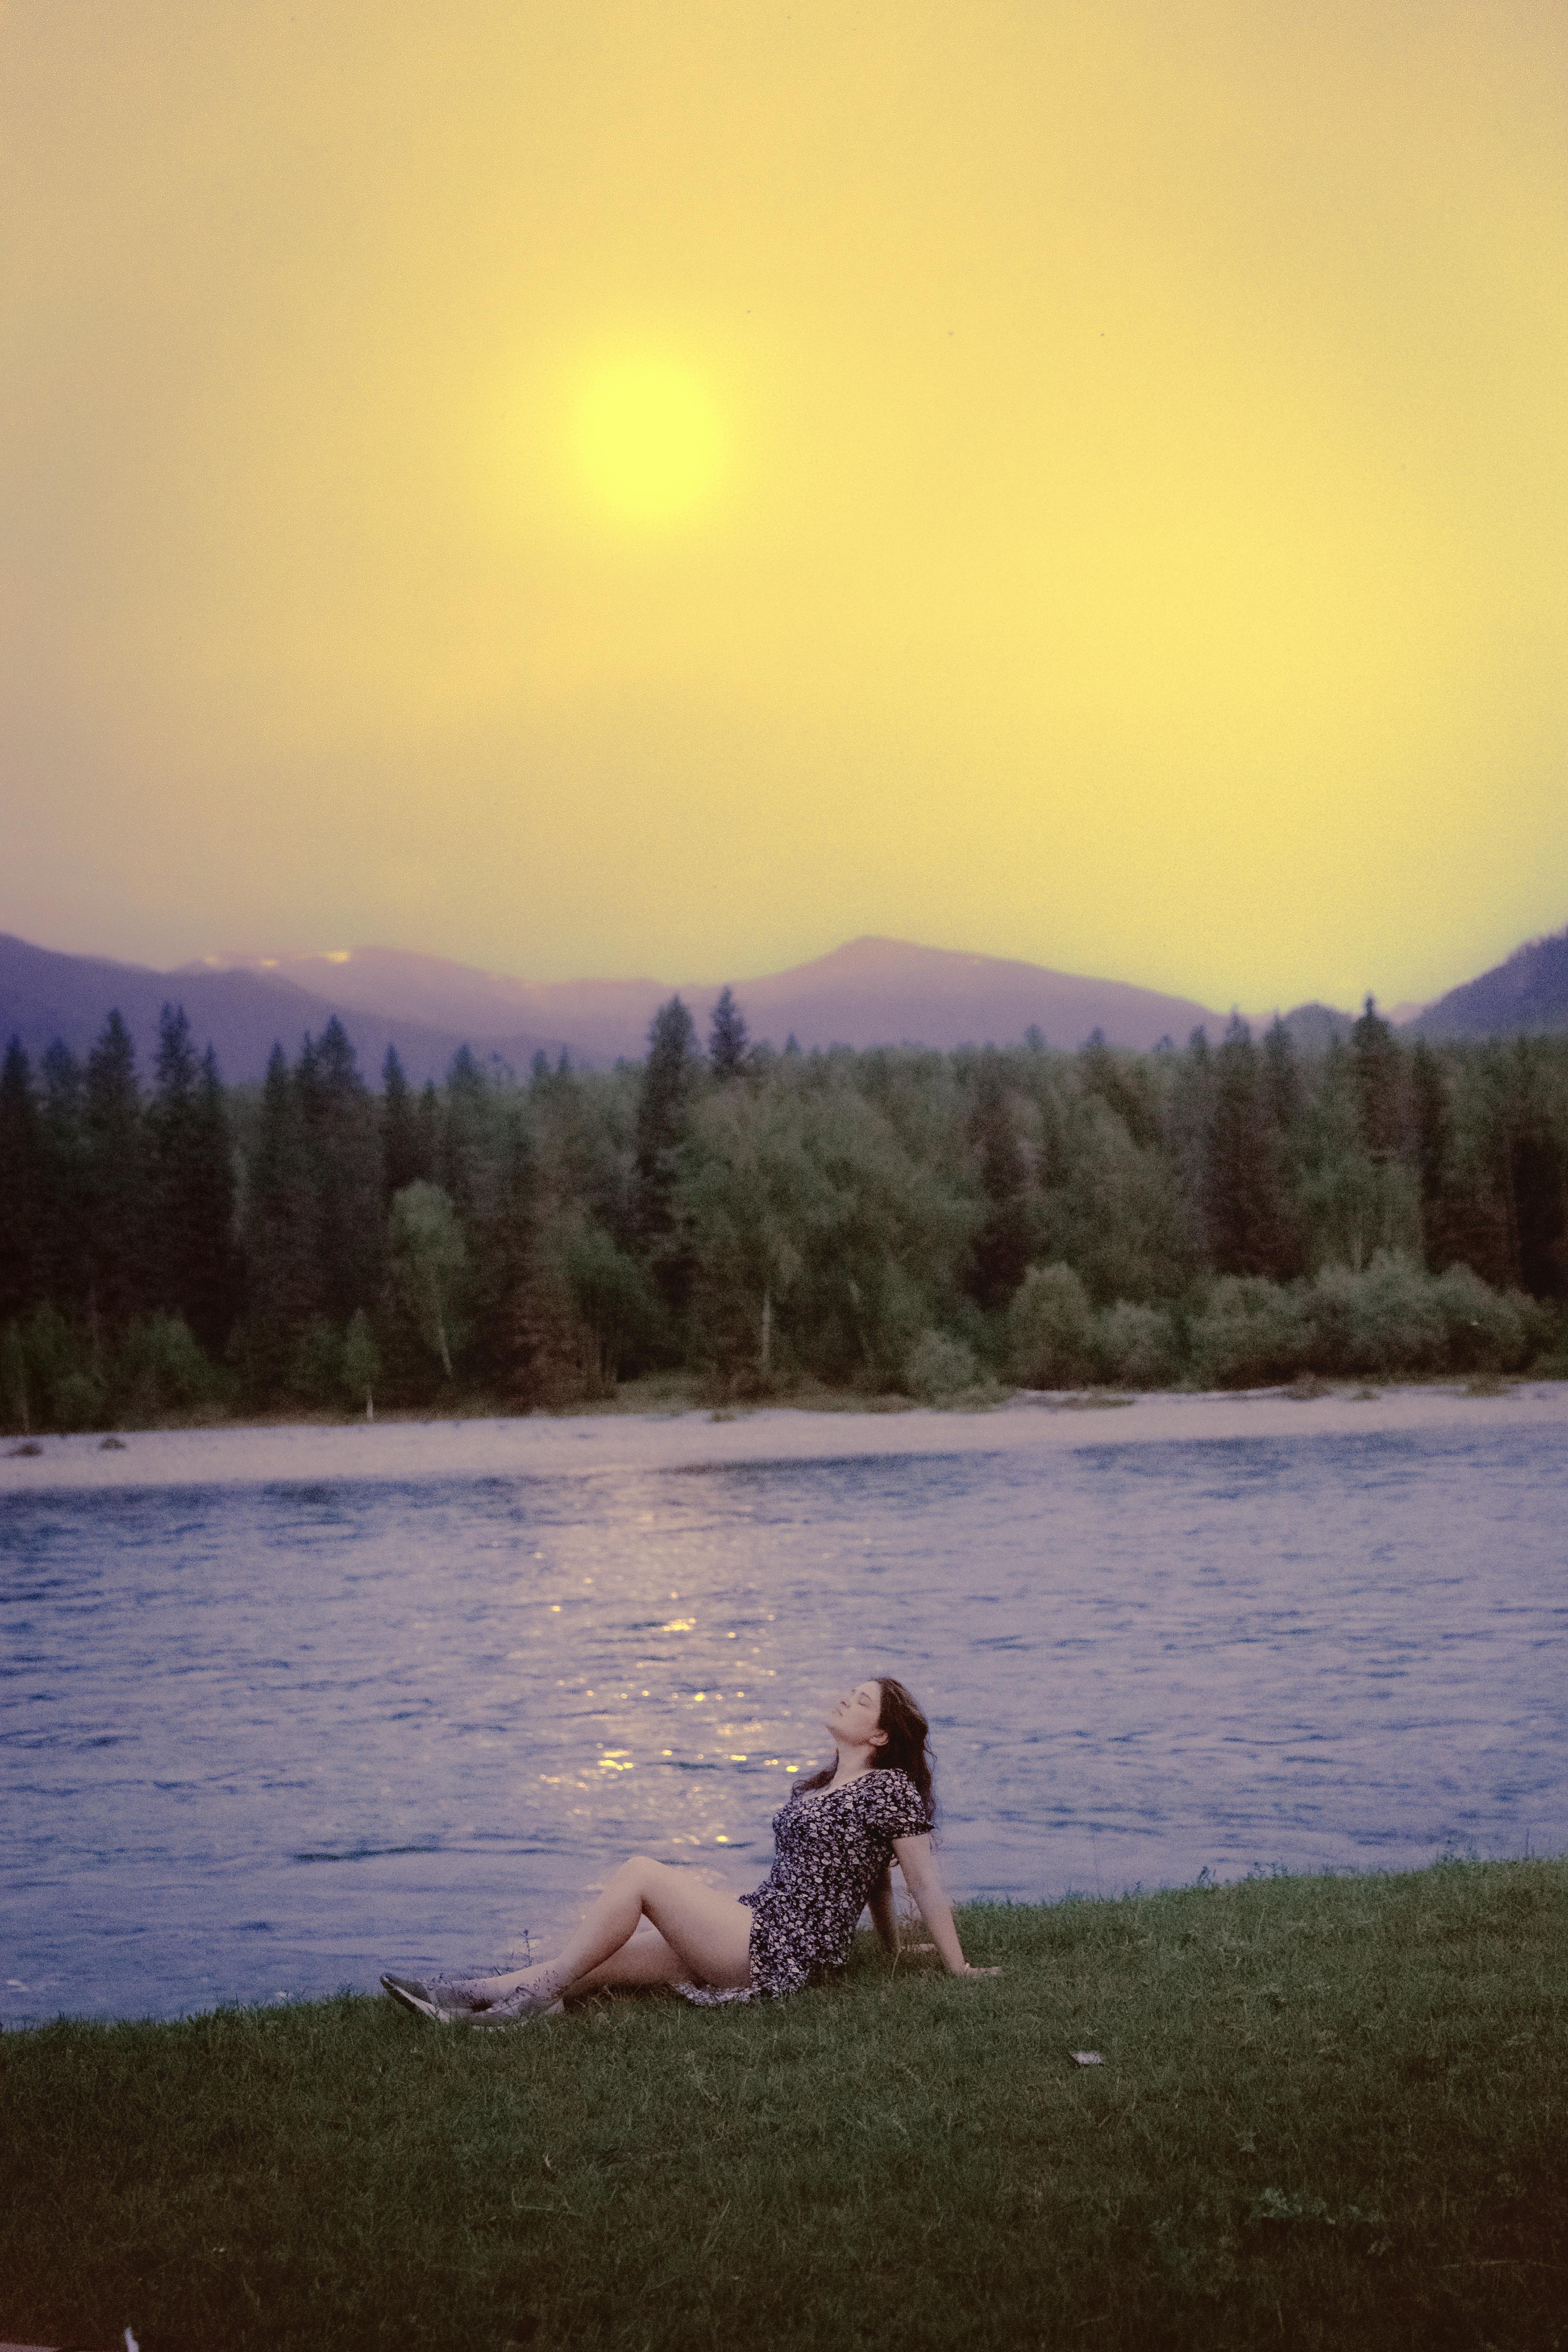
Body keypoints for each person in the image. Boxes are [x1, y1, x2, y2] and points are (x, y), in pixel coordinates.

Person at [381, 1674, 996, 2025]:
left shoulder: (888, 1789)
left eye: (862, 1702)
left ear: (880, 1734)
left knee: (642, 1874)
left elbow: (920, 1882)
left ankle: (528, 2004)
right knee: (598, 1962)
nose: (846, 1699)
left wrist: (957, 1967)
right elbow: (874, 1882)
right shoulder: (820, 1787)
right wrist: (892, 1952)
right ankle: (462, 1998)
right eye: (851, 1691)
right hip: (757, 1924)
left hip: (779, 1948)